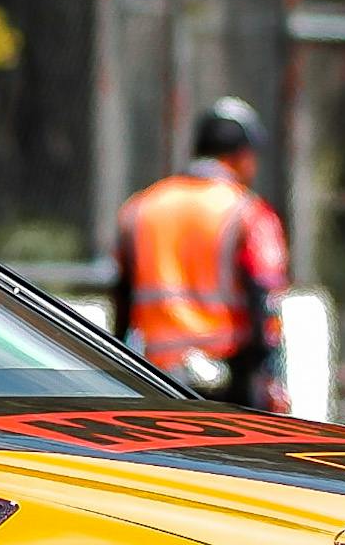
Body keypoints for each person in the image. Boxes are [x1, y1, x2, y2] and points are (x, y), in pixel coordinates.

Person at [112, 98, 290, 405]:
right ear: (241, 155)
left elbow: (122, 298)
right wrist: (272, 376)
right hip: (231, 380)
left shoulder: (141, 208)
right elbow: (265, 297)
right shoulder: (247, 213)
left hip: (157, 377)